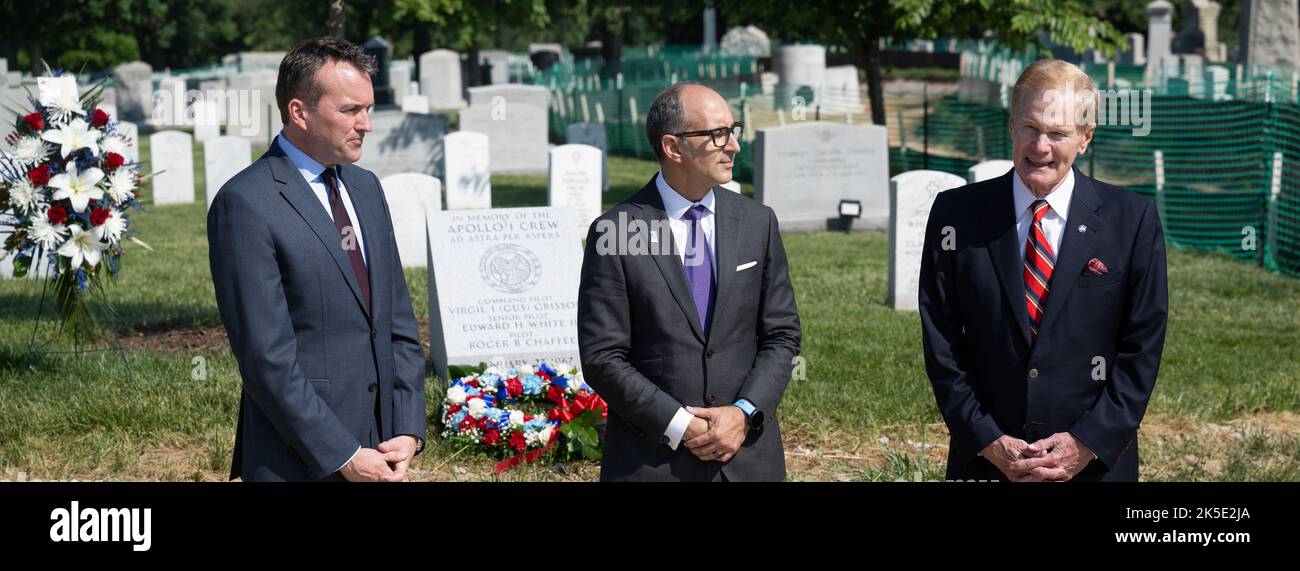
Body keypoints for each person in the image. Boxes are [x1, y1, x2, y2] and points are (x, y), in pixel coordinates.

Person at [919, 59, 1168, 482]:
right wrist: (987, 439)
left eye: (1058, 133)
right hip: (985, 462)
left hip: (1094, 466)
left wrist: (1087, 442)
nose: (1040, 146)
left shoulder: (1132, 220)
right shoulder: (956, 215)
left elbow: (1141, 346)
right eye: (1031, 128)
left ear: (1086, 137)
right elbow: (941, 339)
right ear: (1011, 125)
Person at [208, 37, 426, 482]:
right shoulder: (246, 203)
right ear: (299, 112)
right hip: (298, 457)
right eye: (349, 110)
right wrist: (342, 452)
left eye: (368, 109)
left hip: (383, 446)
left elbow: (397, 321)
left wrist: (406, 426)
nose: (365, 124)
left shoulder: (366, 188)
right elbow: (264, 357)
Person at [578, 82, 802, 481]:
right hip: (653, 462)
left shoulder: (757, 222)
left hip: (748, 457)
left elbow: (782, 335)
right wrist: (681, 426)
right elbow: (603, 357)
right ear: (673, 147)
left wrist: (744, 413)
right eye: (717, 134)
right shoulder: (616, 231)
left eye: (733, 130)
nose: (733, 146)